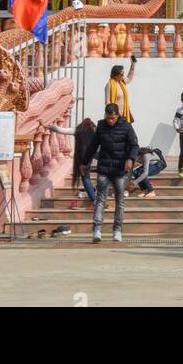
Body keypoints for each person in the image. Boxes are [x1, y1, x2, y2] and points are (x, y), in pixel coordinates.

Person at [80, 103, 138, 243]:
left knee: (120, 201)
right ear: (106, 115)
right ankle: (97, 230)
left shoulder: (127, 126)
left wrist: (130, 159)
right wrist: (84, 162)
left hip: (120, 170)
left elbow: (134, 145)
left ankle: (117, 230)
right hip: (104, 168)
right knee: (100, 199)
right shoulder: (101, 126)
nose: (110, 121)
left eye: (113, 118)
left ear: (117, 115)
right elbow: (93, 146)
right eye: (108, 118)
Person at [48, 116, 98, 205]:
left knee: (85, 178)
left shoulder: (78, 130)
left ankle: (94, 199)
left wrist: (47, 126)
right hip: (93, 156)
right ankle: (95, 194)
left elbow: (60, 130)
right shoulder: (95, 131)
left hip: (81, 158)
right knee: (96, 178)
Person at [105, 57, 136, 123]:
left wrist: (132, 65)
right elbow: (107, 102)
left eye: (123, 73)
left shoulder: (122, 82)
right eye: (121, 74)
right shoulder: (109, 85)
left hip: (124, 114)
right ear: (115, 75)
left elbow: (129, 78)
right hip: (115, 116)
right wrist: (112, 115)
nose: (123, 76)